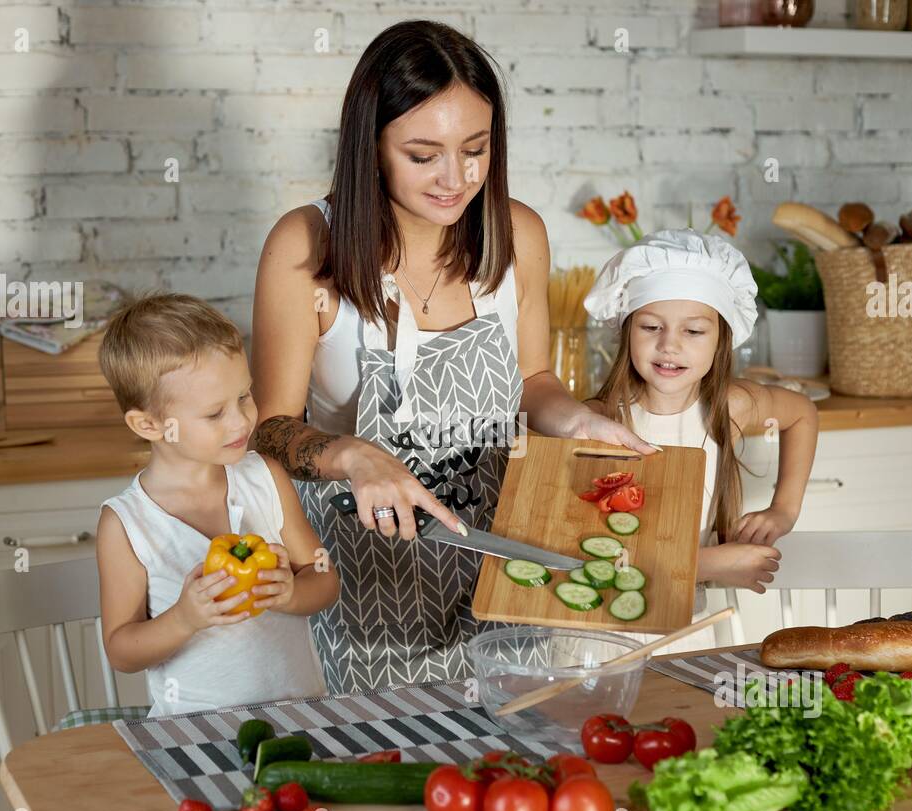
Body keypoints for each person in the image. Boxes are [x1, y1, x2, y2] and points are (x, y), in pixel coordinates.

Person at [250, 21, 655, 693]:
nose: (455, 178)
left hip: (504, 580)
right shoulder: (305, 246)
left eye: (475, 149)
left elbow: (532, 379)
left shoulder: (517, 233)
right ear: (370, 147)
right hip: (361, 591)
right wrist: (355, 456)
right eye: (422, 154)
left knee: (509, 767)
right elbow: (270, 430)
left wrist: (575, 421)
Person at [95, 293, 339, 716]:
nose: (241, 421)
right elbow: (121, 651)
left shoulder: (265, 477)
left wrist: (289, 594)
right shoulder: (126, 524)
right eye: (214, 414)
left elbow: (324, 578)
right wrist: (184, 618)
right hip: (192, 733)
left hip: (300, 717)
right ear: (149, 425)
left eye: (244, 396)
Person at [583, 229, 819, 645]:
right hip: (605, 632)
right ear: (626, 331)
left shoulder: (731, 406)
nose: (669, 345)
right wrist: (707, 564)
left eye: (693, 332)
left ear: (721, 340)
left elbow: (802, 414)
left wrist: (784, 509)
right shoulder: (599, 421)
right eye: (651, 326)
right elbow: (587, 558)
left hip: (693, 626)